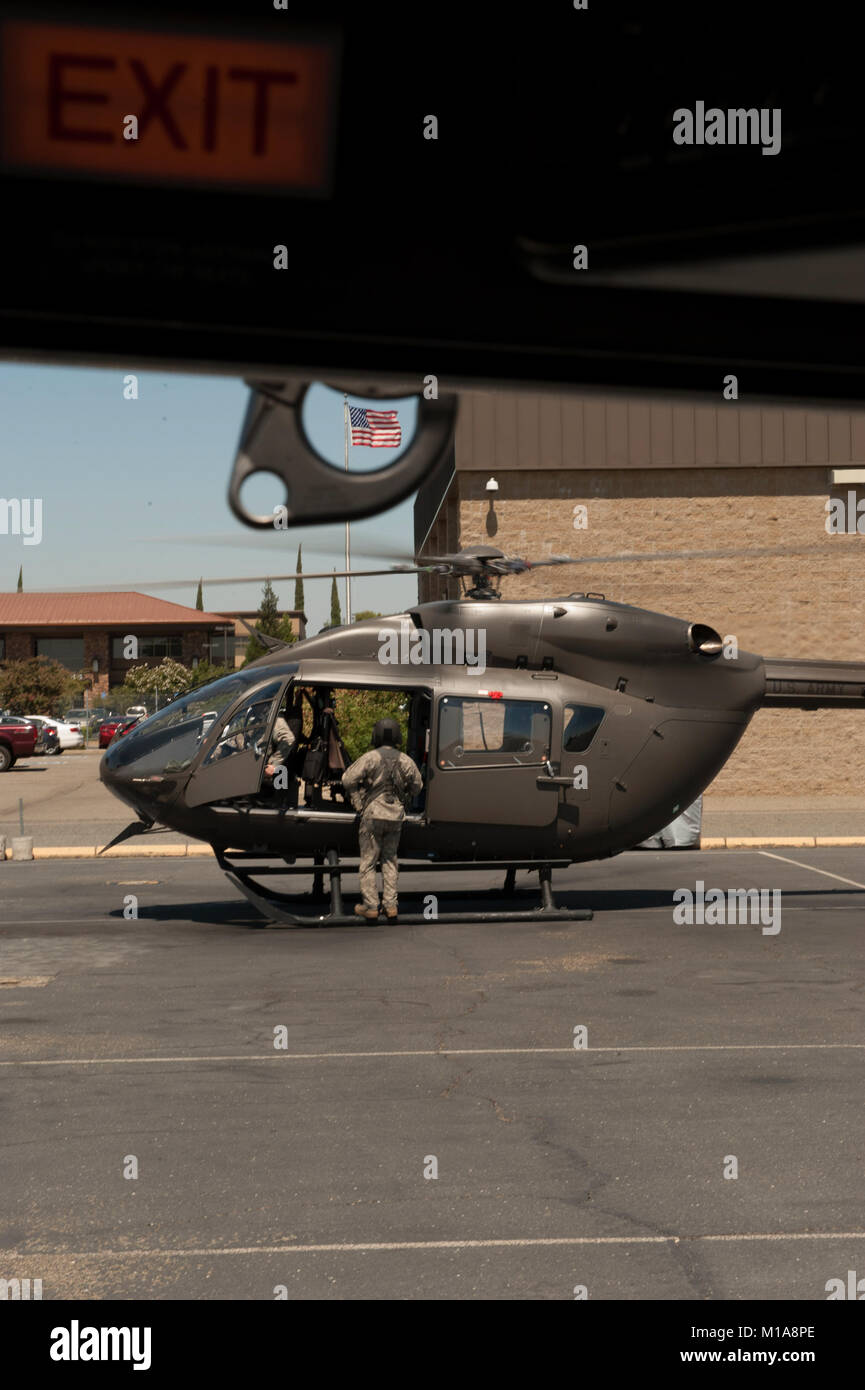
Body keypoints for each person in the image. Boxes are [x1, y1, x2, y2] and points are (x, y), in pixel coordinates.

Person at [341, 717, 423, 922]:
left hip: (372, 815)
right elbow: (417, 786)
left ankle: (370, 906)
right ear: (397, 736)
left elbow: (347, 779)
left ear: (376, 735)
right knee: (389, 860)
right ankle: (391, 905)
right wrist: (404, 796)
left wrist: (358, 800)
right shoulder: (405, 760)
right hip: (395, 816)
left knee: (368, 862)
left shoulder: (370, 758)